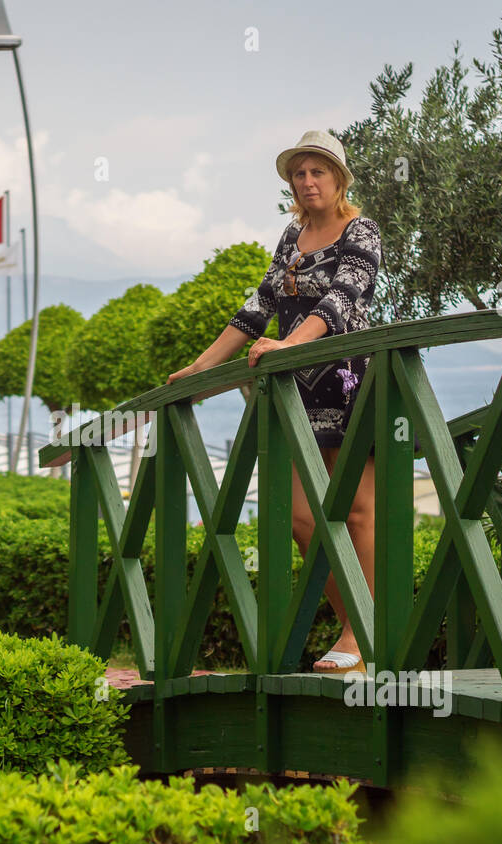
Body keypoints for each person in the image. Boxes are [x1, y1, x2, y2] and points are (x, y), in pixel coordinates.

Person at [166, 130, 381, 674]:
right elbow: (258, 305)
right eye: (299, 174)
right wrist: (202, 366)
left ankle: (362, 634)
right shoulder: (293, 235)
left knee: (356, 511)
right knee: (300, 517)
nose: (308, 182)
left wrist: (288, 345)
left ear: (339, 179)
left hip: (348, 382)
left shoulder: (363, 231)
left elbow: (342, 301)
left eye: (318, 173)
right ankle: (356, 619)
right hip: (293, 392)